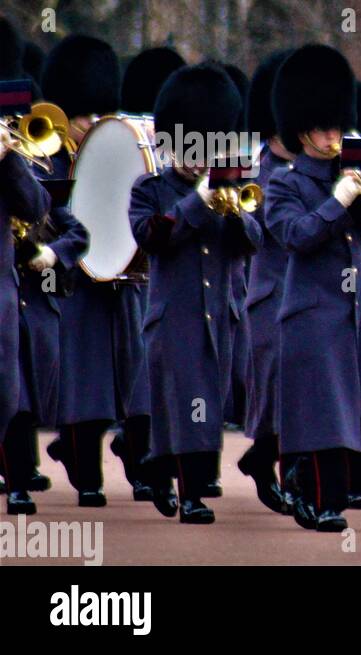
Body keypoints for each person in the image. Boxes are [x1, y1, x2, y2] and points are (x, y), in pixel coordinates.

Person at [130, 64, 261, 524]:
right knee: (188, 403)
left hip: (220, 312)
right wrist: (198, 202)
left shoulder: (232, 187)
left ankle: (158, 466)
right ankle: (192, 495)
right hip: (175, 314)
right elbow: (153, 238)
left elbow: (254, 241)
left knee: (209, 401)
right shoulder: (150, 189)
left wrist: (230, 212)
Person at [263, 44, 361, 533]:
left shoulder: (351, 175)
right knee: (323, 413)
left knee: (346, 412)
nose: (334, 136)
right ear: (304, 131)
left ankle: (312, 490)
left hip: (353, 310)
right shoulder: (285, 184)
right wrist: (337, 201)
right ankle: (325, 503)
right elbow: (296, 236)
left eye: (338, 127)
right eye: (326, 128)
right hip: (311, 310)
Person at [42, 35, 152, 507]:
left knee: (135, 379)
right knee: (84, 384)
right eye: (83, 116)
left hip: (119, 283)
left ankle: (142, 463)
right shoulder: (47, 156)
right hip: (71, 285)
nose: (90, 124)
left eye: (95, 115)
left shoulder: (113, 149)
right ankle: (87, 471)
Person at [0, 16, 57, 514]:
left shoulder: (10, 150)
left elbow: (37, 207)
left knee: (9, 392)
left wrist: (8, 159)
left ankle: (17, 478)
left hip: (5, 294)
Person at [236, 49, 294, 515]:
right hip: (272, 295)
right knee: (278, 393)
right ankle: (265, 457)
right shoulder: (255, 174)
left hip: (317, 298)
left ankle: (270, 461)